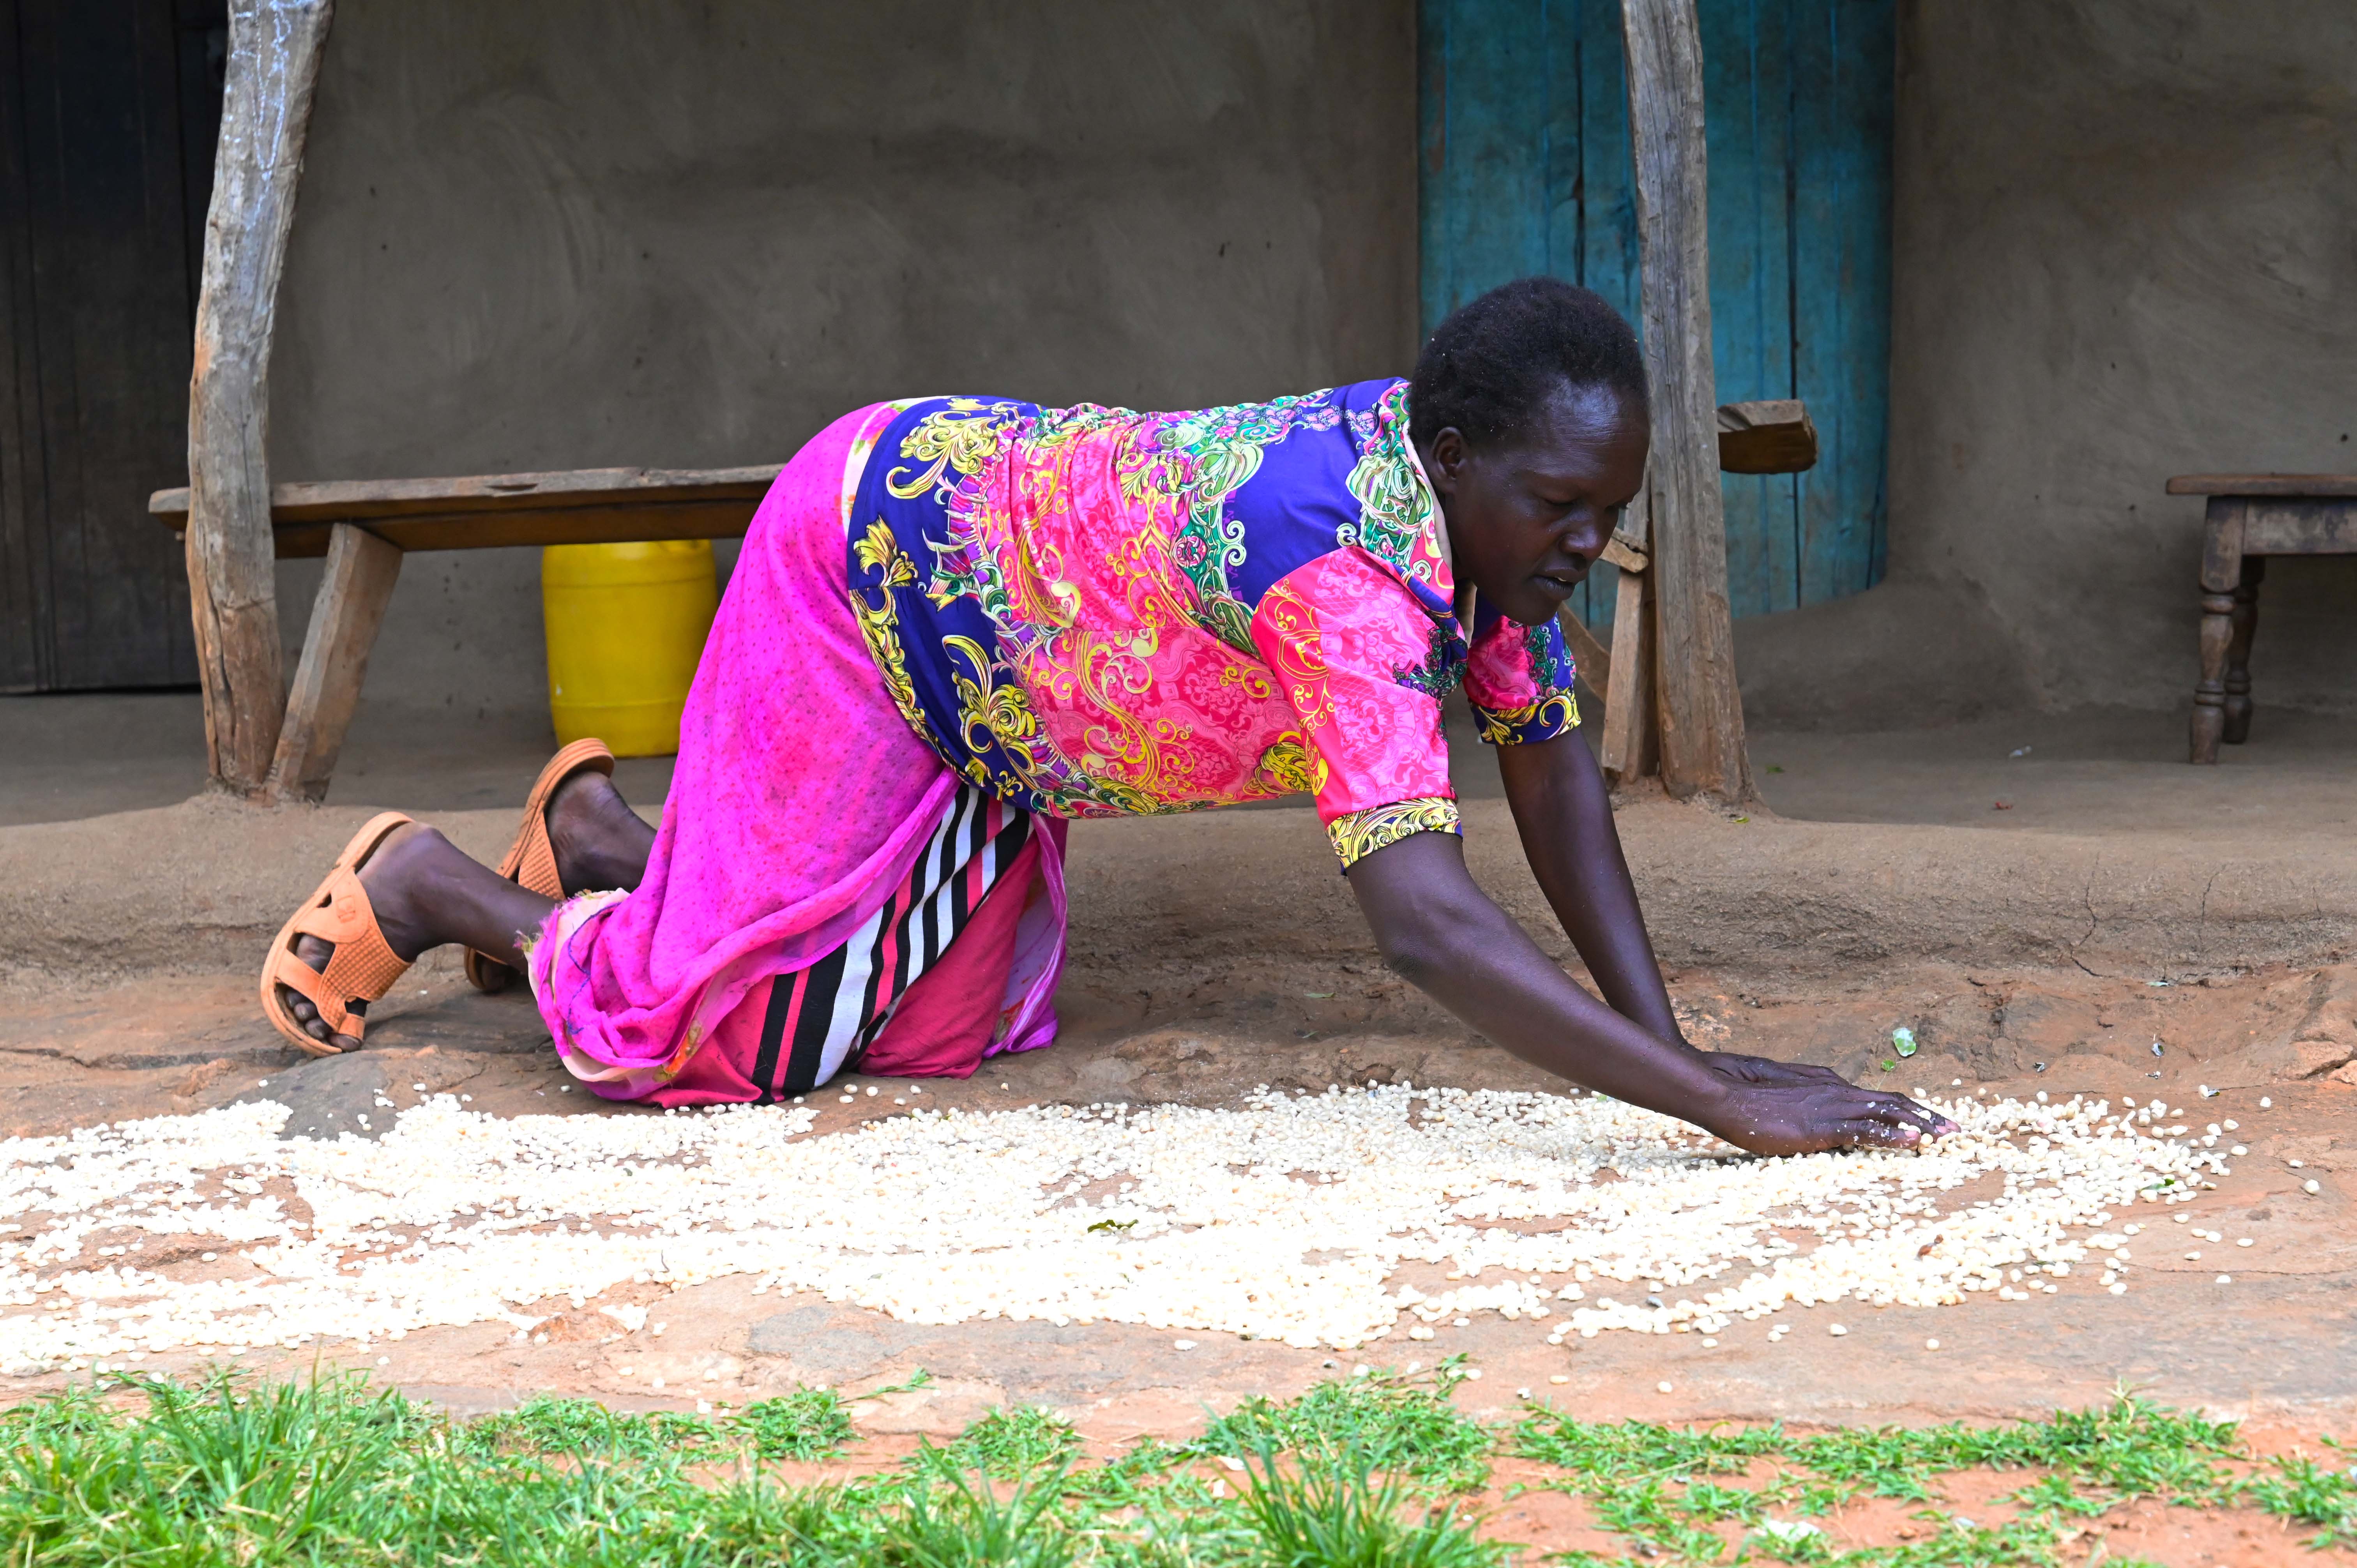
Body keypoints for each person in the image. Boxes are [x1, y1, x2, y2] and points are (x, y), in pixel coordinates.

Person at [258, 277, 1954, 1157]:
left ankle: (613, 841)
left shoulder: (1484, 539)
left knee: (939, 1032)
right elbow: (1428, 927)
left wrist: (1674, 1042)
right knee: (730, 1051)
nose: (1592, 540)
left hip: (1005, 702)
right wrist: (1708, 1105)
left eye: (1610, 506)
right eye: (1565, 506)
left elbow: (1551, 771)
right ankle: (439, 888)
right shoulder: (1346, 571)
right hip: (876, 571)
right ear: (1452, 459)